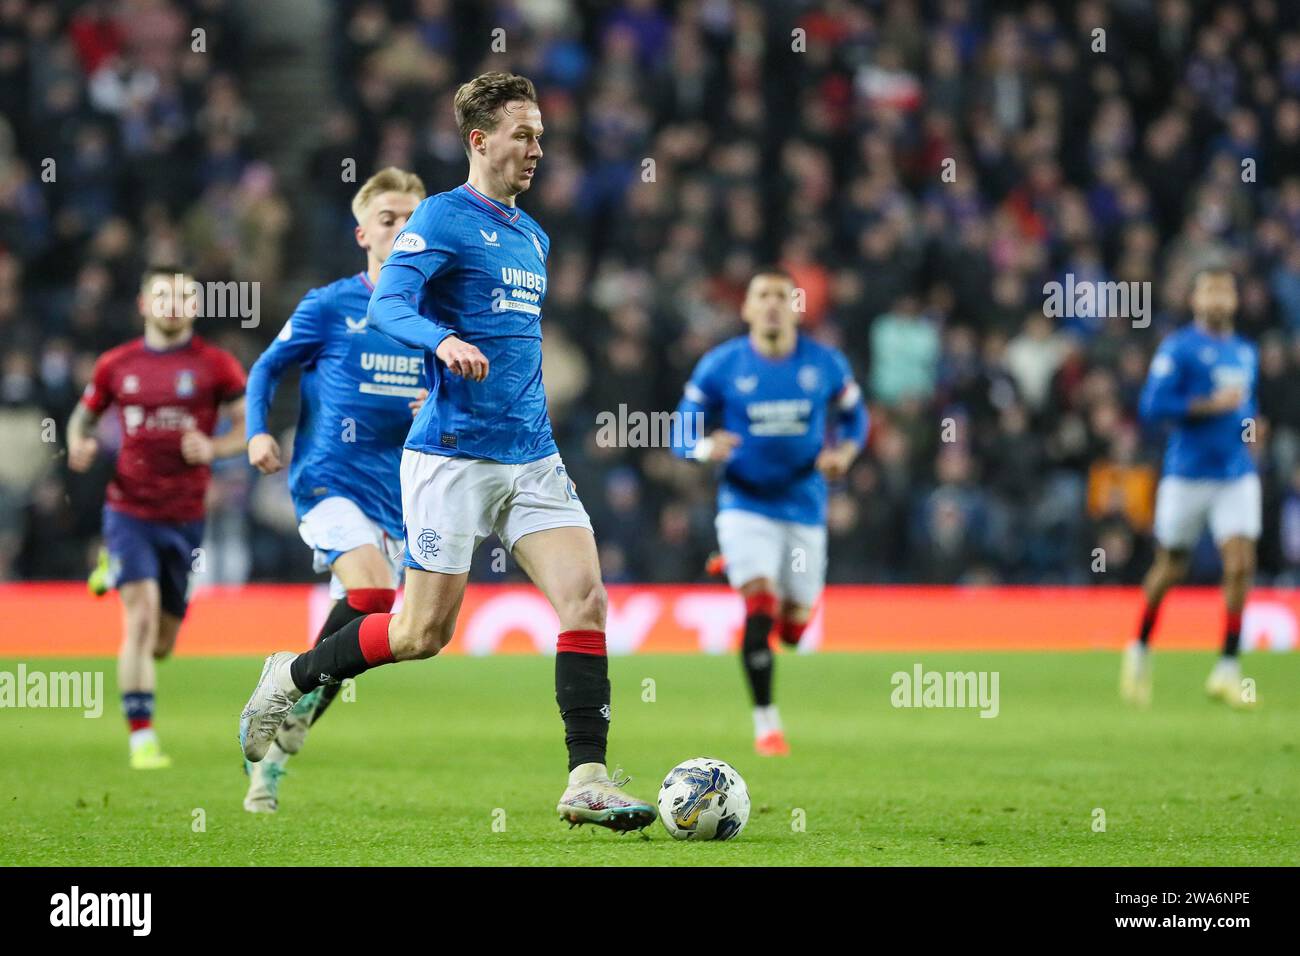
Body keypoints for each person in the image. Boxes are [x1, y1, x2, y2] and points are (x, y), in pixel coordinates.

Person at [237, 72, 657, 831]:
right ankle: (291, 673)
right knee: (420, 634)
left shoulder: (534, 235)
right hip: (452, 457)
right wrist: (444, 339)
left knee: (586, 600)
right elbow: (389, 304)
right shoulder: (441, 218)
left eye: (540, 135)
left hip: (530, 455)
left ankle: (586, 777)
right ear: (479, 139)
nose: (537, 148)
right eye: (523, 135)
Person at [239, 167, 429, 812]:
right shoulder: (330, 304)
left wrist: (440, 400)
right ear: (363, 233)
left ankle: (269, 761)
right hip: (328, 480)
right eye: (389, 219)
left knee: (349, 646)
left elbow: (463, 389)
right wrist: (258, 433)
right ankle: (289, 686)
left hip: (401, 495)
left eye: (412, 220)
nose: (402, 230)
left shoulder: (438, 318)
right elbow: (267, 367)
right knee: (374, 593)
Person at [675, 268, 867, 755]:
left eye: (783, 296)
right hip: (745, 503)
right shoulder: (721, 365)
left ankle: (738, 567)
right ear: (747, 308)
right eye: (763, 296)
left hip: (804, 506)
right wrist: (702, 447)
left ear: (797, 306)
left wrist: (844, 453)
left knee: (797, 632)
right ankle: (767, 724)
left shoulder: (825, 364)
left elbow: (856, 417)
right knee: (759, 605)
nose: (773, 304)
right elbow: (680, 429)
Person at [68, 265, 247, 768]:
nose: (173, 302)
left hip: (185, 518)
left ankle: (112, 566)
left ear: (196, 306)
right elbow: (82, 416)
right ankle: (141, 738)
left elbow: (248, 426)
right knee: (140, 621)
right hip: (129, 508)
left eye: (184, 295)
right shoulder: (116, 364)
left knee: (164, 642)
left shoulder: (217, 366)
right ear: (144, 304)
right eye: (163, 294)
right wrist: (77, 443)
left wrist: (213, 446)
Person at [1123, 267, 1259, 708]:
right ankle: (1140, 647)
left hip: (1235, 474)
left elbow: (1246, 407)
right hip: (1186, 475)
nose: (1218, 298)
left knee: (1239, 564)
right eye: (1210, 290)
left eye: (1225, 289)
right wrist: (1205, 406)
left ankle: (1227, 668)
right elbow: (1151, 406)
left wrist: (1251, 430)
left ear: (1235, 299)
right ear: (1196, 299)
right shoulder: (1179, 348)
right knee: (1171, 568)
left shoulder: (1245, 351)